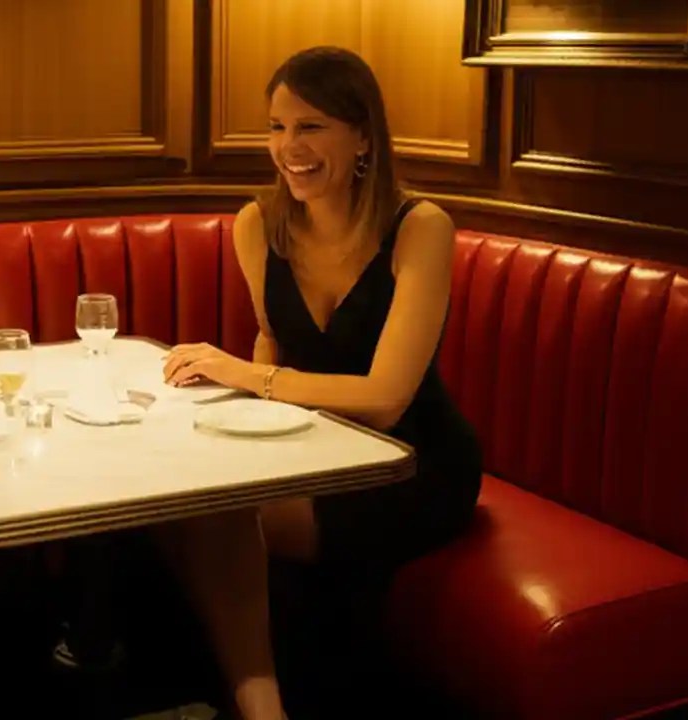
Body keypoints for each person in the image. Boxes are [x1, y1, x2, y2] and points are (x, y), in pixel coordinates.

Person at [163, 46, 483, 710]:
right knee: (178, 499)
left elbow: (386, 400)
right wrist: (246, 406)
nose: (289, 147)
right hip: (311, 449)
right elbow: (276, 341)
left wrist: (246, 375)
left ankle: (260, 706)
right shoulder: (258, 225)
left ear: (363, 134)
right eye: (278, 127)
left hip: (411, 465)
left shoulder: (420, 229)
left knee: (208, 514)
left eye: (311, 127)